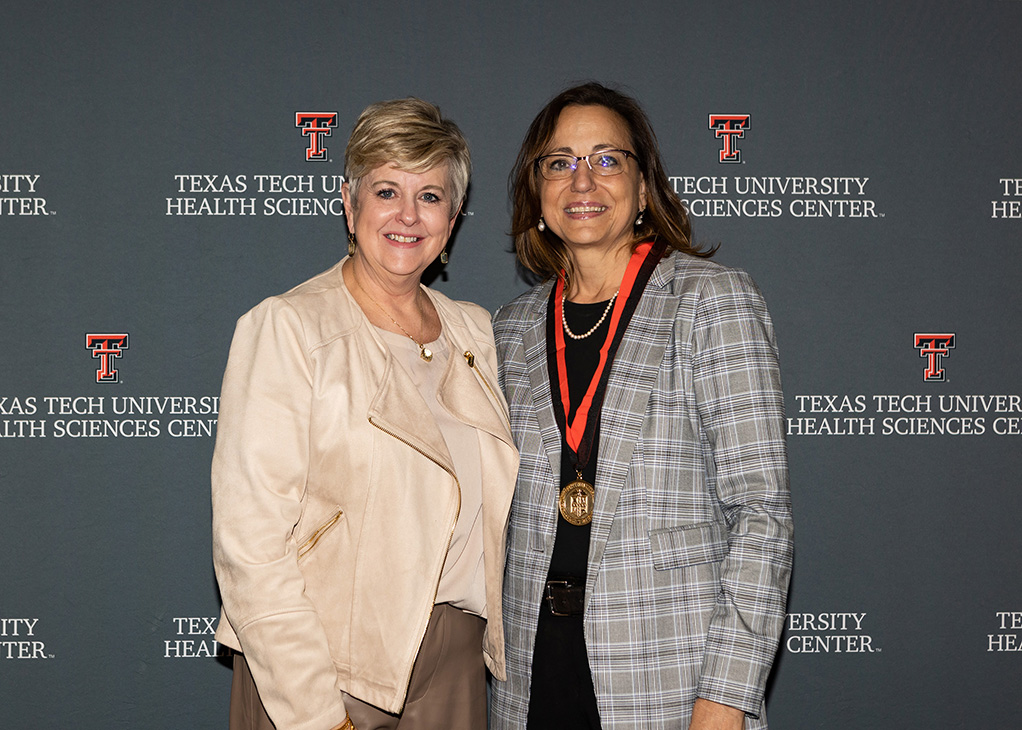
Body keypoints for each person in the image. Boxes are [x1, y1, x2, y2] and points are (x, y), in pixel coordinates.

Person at [490, 83, 793, 730]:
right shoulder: (508, 330)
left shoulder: (710, 301)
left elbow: (761, 515)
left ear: (643, 185)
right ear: (536, 193)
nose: (582, 180)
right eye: (559, 162)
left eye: (607, 159)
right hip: (533, 672)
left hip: (671, 680)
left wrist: (727, 696)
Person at [211, 98, 518, 730]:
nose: (408, 216)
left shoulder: (475, 332)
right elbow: (250, 546)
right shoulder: (289, 328)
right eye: (386, 190)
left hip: (455, 661)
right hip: (320, 667)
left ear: (453, 219)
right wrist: (315, 715)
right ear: (350, 206)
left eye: (430, 196)